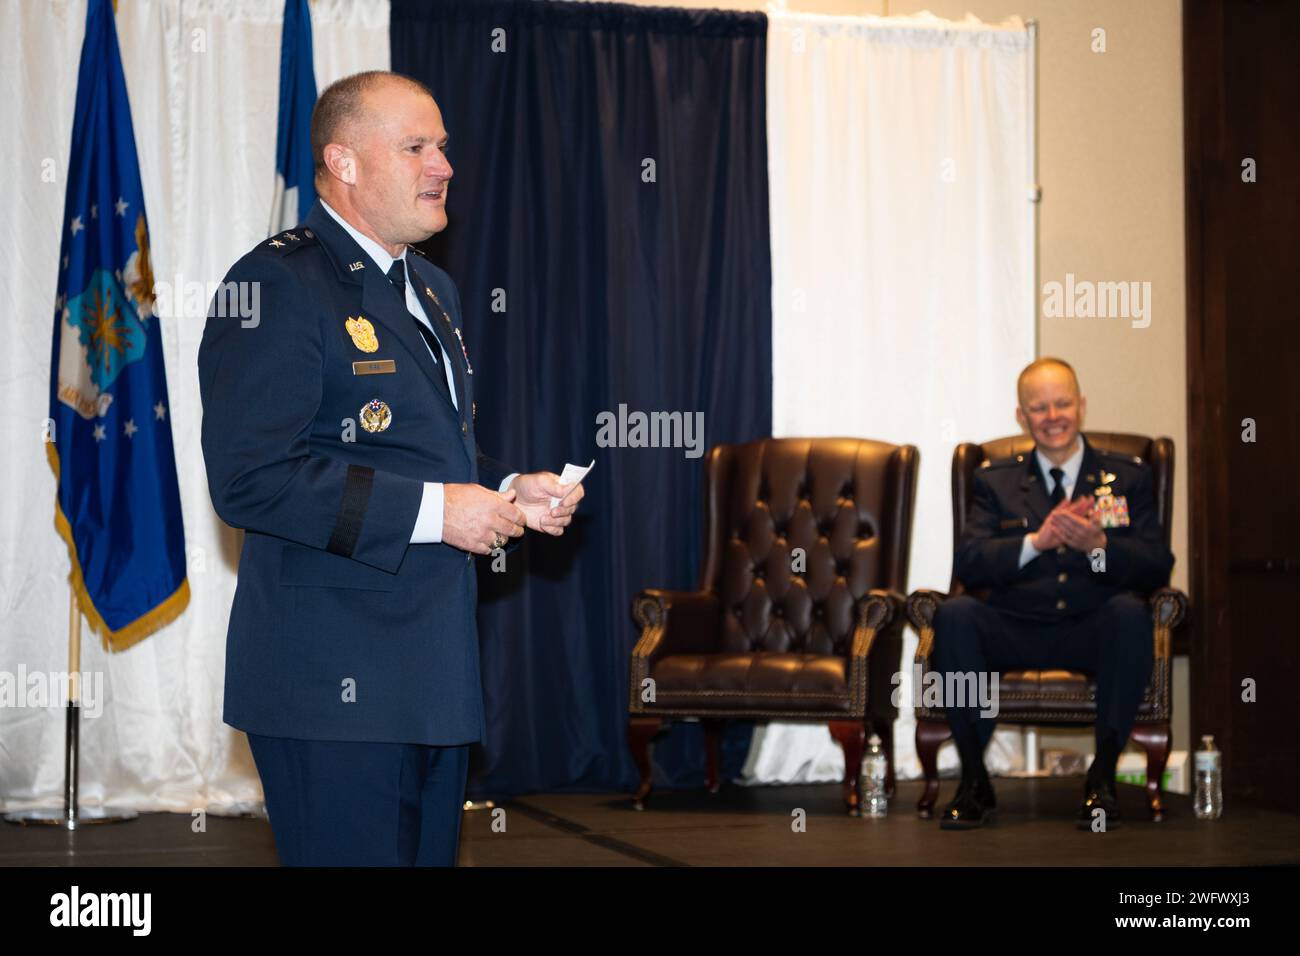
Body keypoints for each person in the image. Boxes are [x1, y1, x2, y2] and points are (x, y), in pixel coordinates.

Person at [198, 71, 584, 865]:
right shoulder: (277, 283)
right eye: (416, 147)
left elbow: (423, 452)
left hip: (432, 676)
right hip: (331, 685)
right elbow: (251, 478)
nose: (443, 166)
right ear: (343, 162)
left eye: (442, 146)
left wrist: (509, 488)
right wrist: (440, 513)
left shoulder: (430, 288)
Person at [932, 357, 1172, 830]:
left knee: (1129, 613)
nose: (1053, 416)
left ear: (1081, 406)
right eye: (1039, 408)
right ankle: (975, 782)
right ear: (1022, 417)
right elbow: (969, 562)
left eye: (1062, 403)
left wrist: (1098, 547)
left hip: (1092, 624)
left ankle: (1101, 778)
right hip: (1015, 625)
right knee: (956, 615)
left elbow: (1155, 566)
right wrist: (1035, 543)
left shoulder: (1127, 477)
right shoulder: (993, 480)